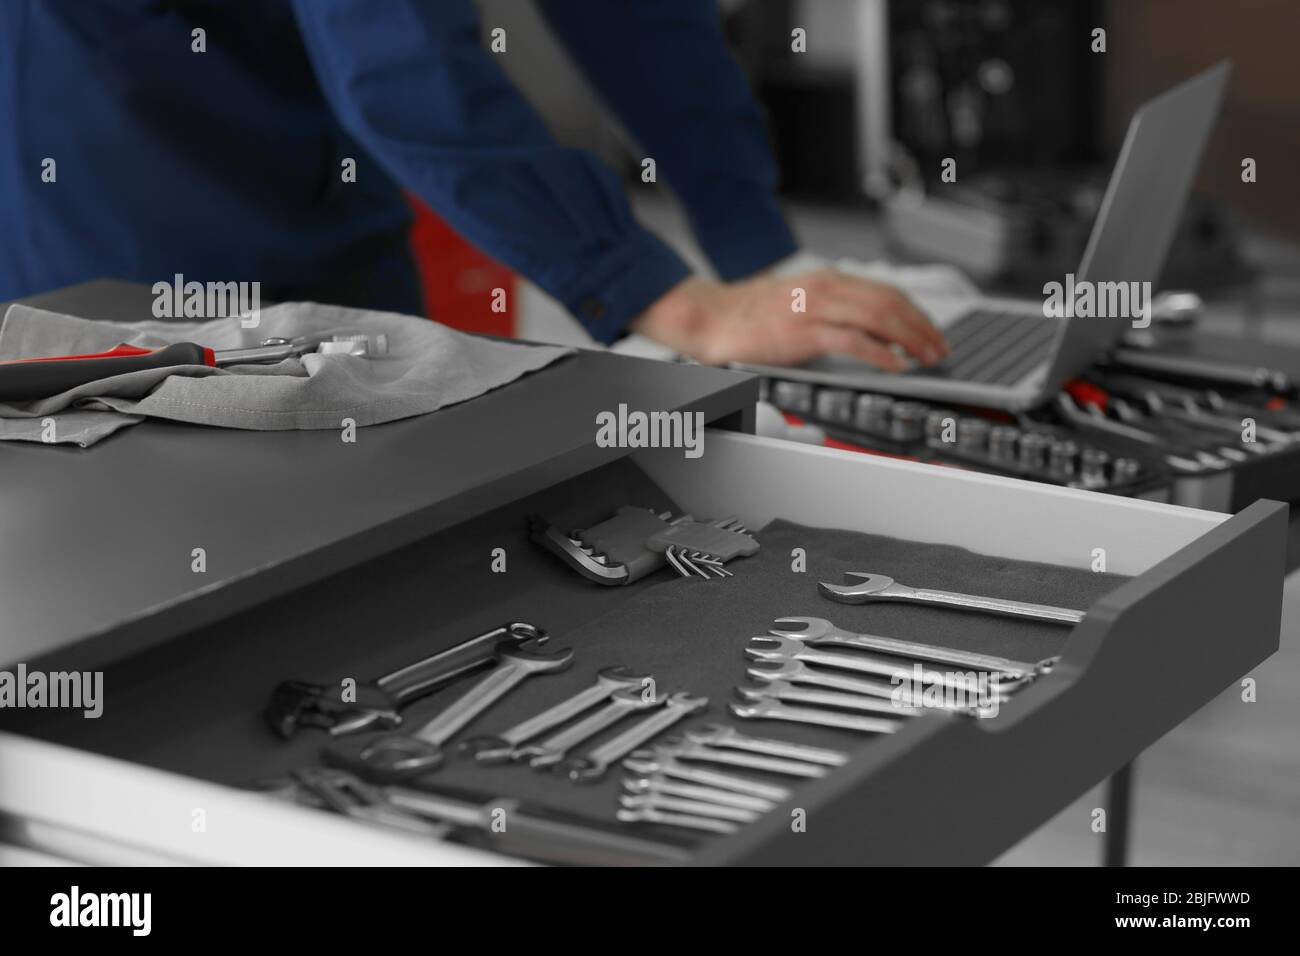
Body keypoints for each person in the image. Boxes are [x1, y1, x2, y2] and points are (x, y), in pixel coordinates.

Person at [0, 0, 946, 369]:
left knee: (379, 419)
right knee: (168, 462)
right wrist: (679, 306)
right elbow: (400, 60)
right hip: (108, 153)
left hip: (310, 155)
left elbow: (639, 19)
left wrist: (765, 253)